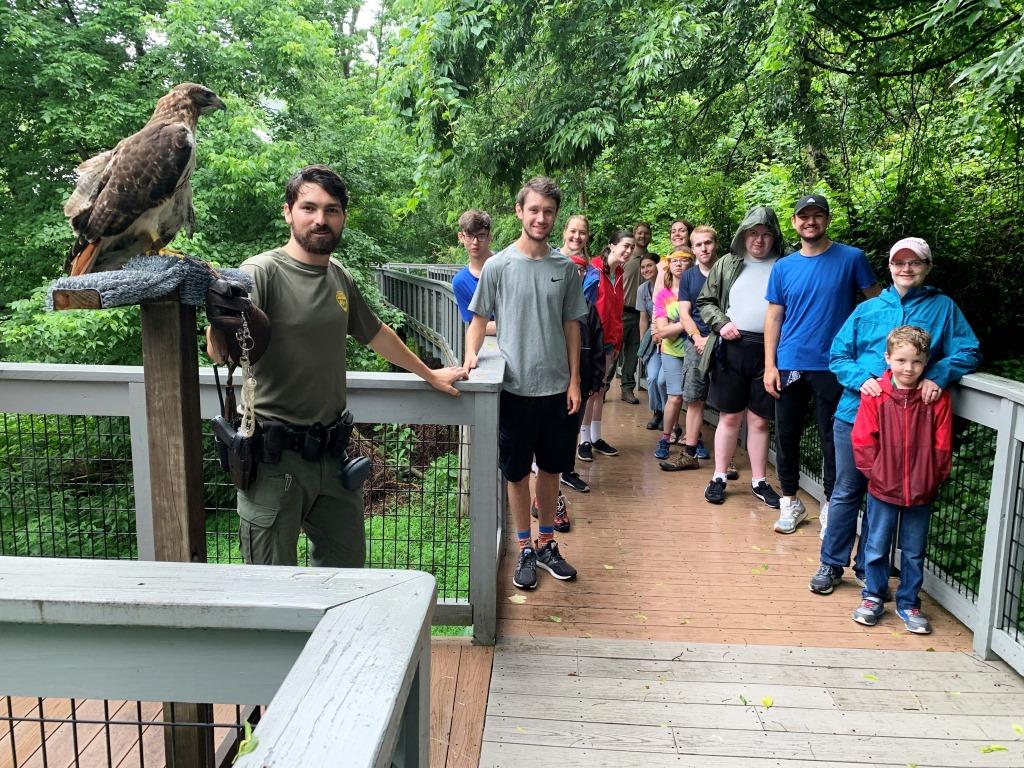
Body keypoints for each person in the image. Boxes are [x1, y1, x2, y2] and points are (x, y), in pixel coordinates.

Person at [206, 164, 467, 568]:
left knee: (345, 578)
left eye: (331, 210)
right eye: (308, 208)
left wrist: (430, 374)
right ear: (288, 213)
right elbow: (220, 352)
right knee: (270, 587)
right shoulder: (261, 271)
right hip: (275, 464)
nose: (320, 219)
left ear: (343, 217)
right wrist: (220, 318)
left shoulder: (338, 275)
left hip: (332, 457)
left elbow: (377, 333)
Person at [810, 236, 980, 595]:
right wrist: (863, 379)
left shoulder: (942, 307)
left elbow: (968, 349)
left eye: (915, 262)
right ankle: (832, 562)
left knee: (883, 494)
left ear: (926, 267)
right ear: (889, 267)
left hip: (907, 420)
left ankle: (868, 568)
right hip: (856, 412)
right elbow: (838, 355)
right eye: (899, 262)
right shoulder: (868, 308)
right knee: (847, 490)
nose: (906, 269)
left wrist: (938, 373)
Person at [464, 177, 588, 590]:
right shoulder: (498, 266)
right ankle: (525, 548)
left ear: (555, 216)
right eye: (533, 210)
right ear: (519, 211)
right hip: (514, 388)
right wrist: (470, 359)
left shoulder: (565, 269)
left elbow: (572, 326)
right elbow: (478, 319)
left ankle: (548, 542)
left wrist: (575, 381)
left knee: (552, 469)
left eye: (548, 211)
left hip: (556, 389)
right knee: (516, 472)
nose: (541, 218)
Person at [764, 194, 880, 534]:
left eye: (817, 215)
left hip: (835, 364)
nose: (810, 221)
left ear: (827, 220)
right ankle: (790, 502)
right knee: (786, 435)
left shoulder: (852, 258)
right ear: (794, 222)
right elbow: (774, 316)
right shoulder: (783, 266)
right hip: (789, 362)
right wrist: (770, 365)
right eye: (804, 216)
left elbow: (877, 304)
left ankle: (831, 504)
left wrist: (873, 352)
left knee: (832, 438)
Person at [850, 326, 953, 634]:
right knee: (877, 545)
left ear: (927, 362)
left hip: (922, 489)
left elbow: (943, 445)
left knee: (913, 550)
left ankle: (909, 601)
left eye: (917, 362)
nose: (909, 368)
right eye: (902, 360)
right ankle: (873, 596)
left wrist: (933, 477)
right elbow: (863, 439)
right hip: (883, 486)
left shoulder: (936, 399)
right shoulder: (876, 395)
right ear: (888, 358)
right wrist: (876, 474)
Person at [696, 207, 782, 506]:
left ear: (774, 237)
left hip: (770, 351)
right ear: (744, 235)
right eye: (754, 233)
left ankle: (759, 480)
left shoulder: (785, 265)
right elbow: (705, 301)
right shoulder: (727, 264)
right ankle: (719, 476)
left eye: (766, 234)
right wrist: (721, 324)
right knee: (729, 416)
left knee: (759, 421)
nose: (759, 240)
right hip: (731, 347)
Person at [578, 230, 636, 461]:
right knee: (589, 391)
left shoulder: (619, 273)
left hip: (611, 340)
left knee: (600, 390)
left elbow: (616, 310)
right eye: (625, 246)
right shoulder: (593, 271)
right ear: (612, 246)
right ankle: (583, 440)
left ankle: (596, 436)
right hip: (592, 341)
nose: (629, 251)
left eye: (631, 247)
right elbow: (584, 307)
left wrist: (617, 340)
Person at [557, 214, 602, 495]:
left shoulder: (589, 303)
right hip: (552, 370)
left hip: (581, 371)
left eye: (582, 232)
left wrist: (597, 378)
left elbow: (596, 341)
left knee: (573, 422)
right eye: (572, 231)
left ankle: (567, 469)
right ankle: (548, 471)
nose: (577, 236)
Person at [675, 225, 719, 463]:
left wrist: (714, 339)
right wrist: (697, 338)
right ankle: (689, 452)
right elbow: (684, 313)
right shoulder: (689, 276)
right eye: (699, 244)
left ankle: (728, 456)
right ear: (693, 248)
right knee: (693, 397)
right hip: (696, 341)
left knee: (728, 401)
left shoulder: (727, 272)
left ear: (715, 244)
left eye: (708, 243)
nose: (704, 248)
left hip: (723, 341)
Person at [653, 249, 695, 466]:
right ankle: (665, 439)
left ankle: (693, 439)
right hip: (671, 351)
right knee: (675, 396)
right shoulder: (664, 295)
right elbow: (661, 331)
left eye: (684, 260)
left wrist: (674, 326)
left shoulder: (698, 290)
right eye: (674, 261)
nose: (679, 265)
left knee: (694, 398)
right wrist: (687, 323)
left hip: (694, 349)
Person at [619, 222, 652, 404]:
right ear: (634, 234)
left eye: (646, 233)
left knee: (633, 353)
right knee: (614, 352)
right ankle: (603, 386)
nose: (643, 236)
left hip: (641, 315)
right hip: (623, 312)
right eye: (639, 233)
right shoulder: (625, 257)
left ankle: (627, 389)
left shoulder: (651, 260)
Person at [451, 210, 496, 334]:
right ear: (461, 237)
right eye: (470, 236)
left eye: (481, 236)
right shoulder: (460, 282)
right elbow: (476, 326)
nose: (475, 242)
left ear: (489, 237)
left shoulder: (506, 264)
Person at [636, 252, 664, 430]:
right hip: (652, 339)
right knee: (653, 377)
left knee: (664, 380)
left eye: (650, 265)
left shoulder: (668, 286)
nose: (646, 269)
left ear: (658, 267)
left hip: (669, 338)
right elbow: (643, 318)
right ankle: (657, 411)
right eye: (643, 267)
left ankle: (669, 415)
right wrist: (642, 343)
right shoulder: (642, 289)